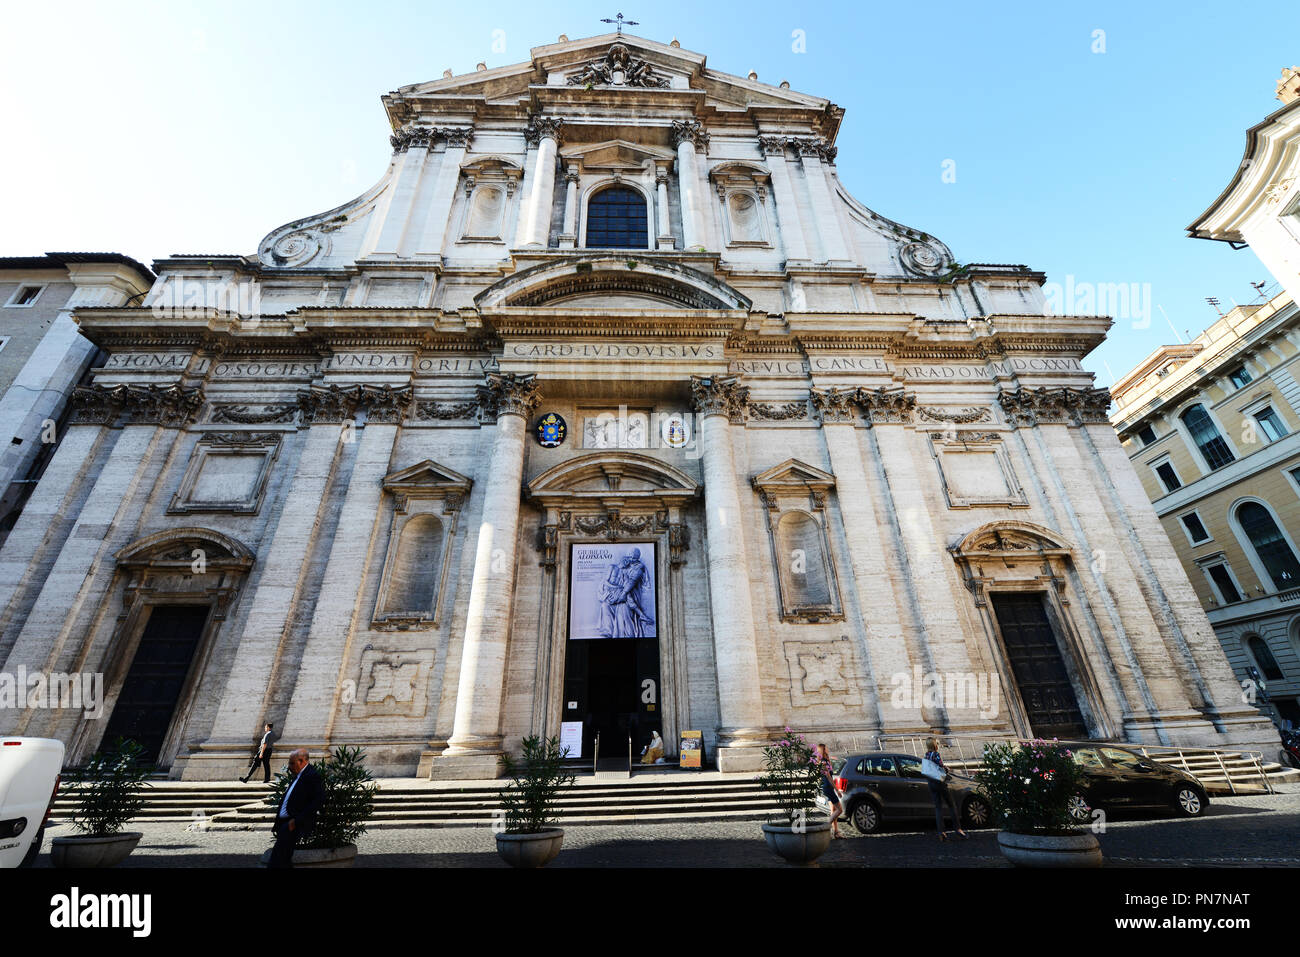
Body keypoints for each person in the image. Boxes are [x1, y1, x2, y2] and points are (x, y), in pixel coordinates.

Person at [268, 748, 326, 868]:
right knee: (283, 860)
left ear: (302, 761)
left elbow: (318, 801)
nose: (289, 766)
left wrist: (296, 821)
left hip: (292, 824)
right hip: (285, 824)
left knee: (276, 861)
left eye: (292, 763)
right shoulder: (298, 775)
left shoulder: (312, 775)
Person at [924, 737, 967, 841]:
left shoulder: (926, 755)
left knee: (938, 808)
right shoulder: (936, 754)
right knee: (952, 805)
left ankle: (941, 833)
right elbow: (941, 766)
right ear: (935, 745)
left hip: (931, 783)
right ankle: (958, 829)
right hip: (939, 782)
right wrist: (947, 769)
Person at [814, 743, 843, 839]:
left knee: (833, 810)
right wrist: (837, 790)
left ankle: (836, 832)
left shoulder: (825, 761)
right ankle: (825, 827)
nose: (828, 749)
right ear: (823, 750)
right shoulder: (823, 762)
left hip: (828, 787)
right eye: (826, 748)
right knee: (840, 810)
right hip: (828, 787)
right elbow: (829, 778)